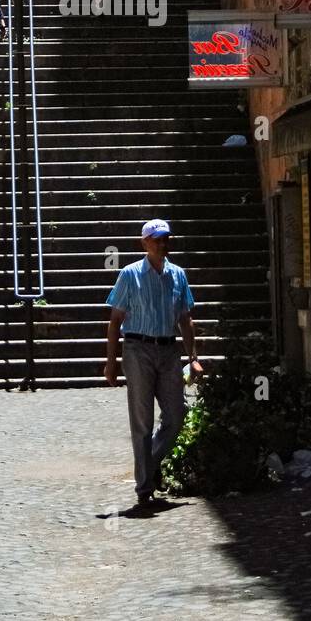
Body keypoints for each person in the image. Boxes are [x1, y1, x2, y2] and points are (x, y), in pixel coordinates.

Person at [105, 219, 202, 511]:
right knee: (142, 421)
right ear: (144, 242)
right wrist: (111, 361)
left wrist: (193, 358)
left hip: (169, 350)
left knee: (177, 414)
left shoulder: (178, 275)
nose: (162, 244)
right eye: (157, 239)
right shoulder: (130, 274)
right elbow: (115, 321)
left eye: (166, 239)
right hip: (137, 349)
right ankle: (144, 488)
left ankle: (149, 464)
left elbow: (185, 319)